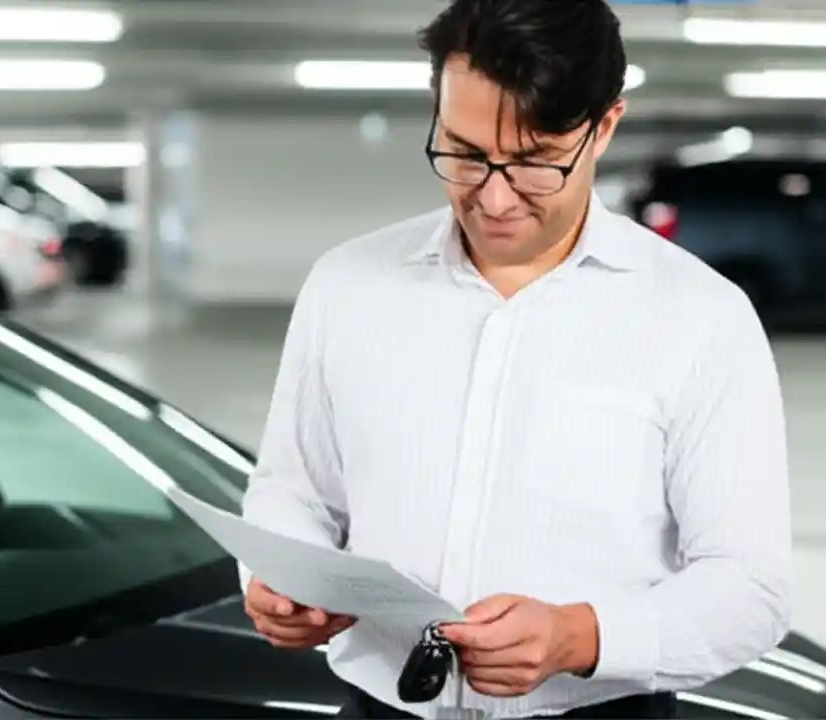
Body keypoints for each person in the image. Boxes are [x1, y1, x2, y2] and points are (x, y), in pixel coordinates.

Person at [238, 0, 793, 718]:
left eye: (535, 163)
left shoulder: (700, 317)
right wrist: (279, 577)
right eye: (464, 152)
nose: (494, 198)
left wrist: (581, 636)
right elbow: (295, 490)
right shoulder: (347, 286)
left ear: (604, 129)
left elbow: (750, 586)